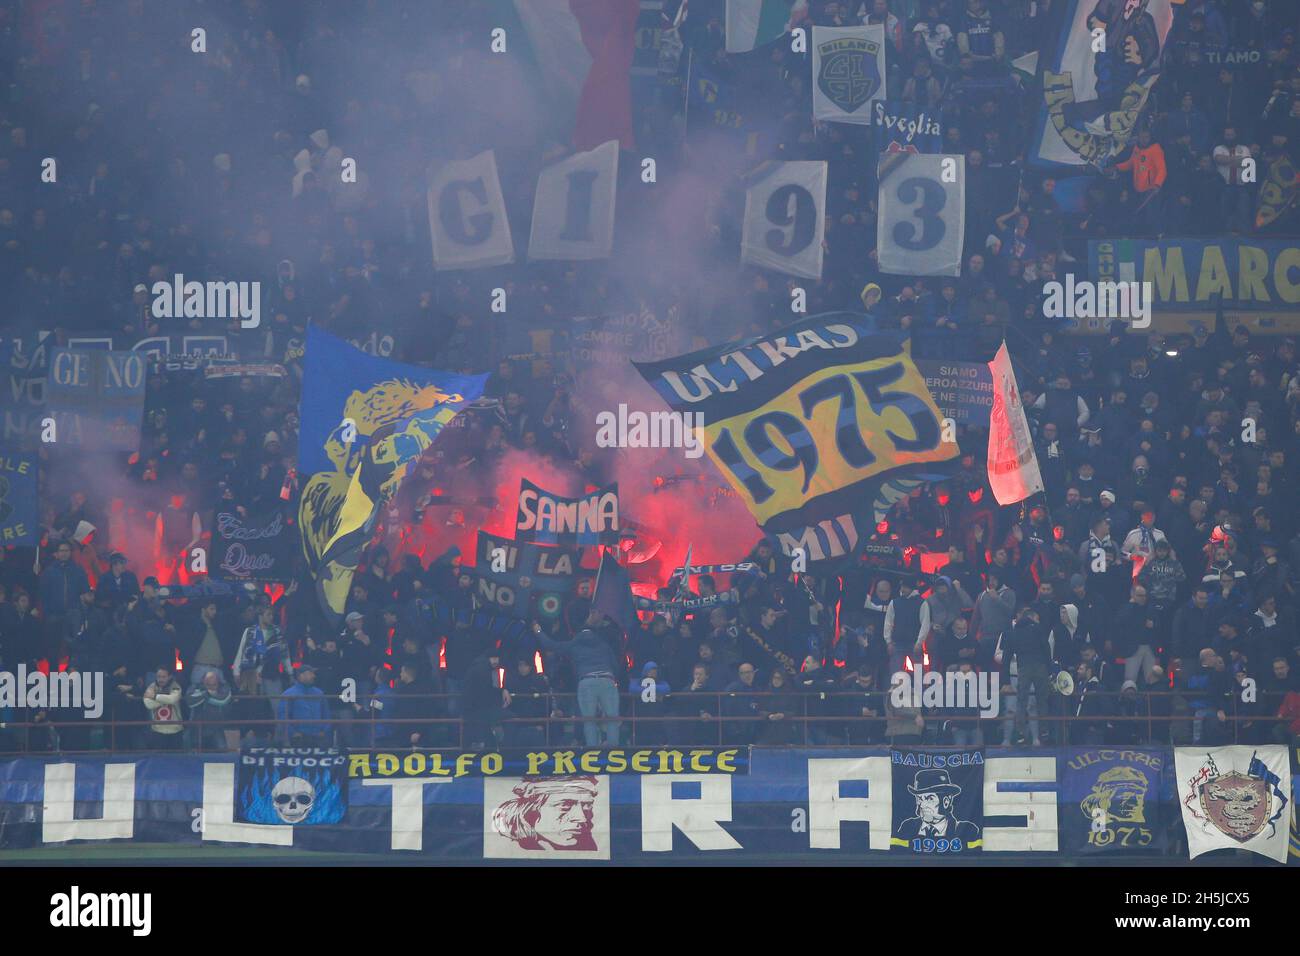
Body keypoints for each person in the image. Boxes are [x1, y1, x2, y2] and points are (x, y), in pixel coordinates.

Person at [533, 614, 621, 748]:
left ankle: (592, 750)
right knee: (612, 718)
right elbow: (616, 666)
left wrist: (538, 631)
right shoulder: (603, 644)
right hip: (607, 680)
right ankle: (614, 749)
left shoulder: (575, 644)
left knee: (588, 720)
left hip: (586, 681)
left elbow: (550, 645)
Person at [277, 665, 329, 745]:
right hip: (299, 737)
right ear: (301, 676)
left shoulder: (319, 693)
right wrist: (293, 733)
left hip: (318, 736)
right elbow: (283, 715)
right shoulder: (289, 694)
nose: (313, 676)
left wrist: (324, 730)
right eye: (310, 673)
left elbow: (326, 713)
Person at [185, 670, 234, 751]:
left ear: (218, 683)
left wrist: (204, 696)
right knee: (193, 756)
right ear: (203, 682)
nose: (211, 687)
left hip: (216, 728)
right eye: (208, 685)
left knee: (222, 755)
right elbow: (189, 702)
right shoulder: (195, 687)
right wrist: (207, 694)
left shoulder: (224, 688)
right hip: (197, 728)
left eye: (214, 685)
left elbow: (224, 700)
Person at [142, 666, 184, 749]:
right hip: (158, 731)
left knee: (176, 759)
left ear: (169, 677)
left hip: (175, 730)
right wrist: (165, 699)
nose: (161, 679)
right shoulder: (151, 687)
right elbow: (148, 704)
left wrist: (155, 696)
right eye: (159, 677)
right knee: (158, 759)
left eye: (164, 677)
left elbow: (173, 699)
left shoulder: (175, 686)